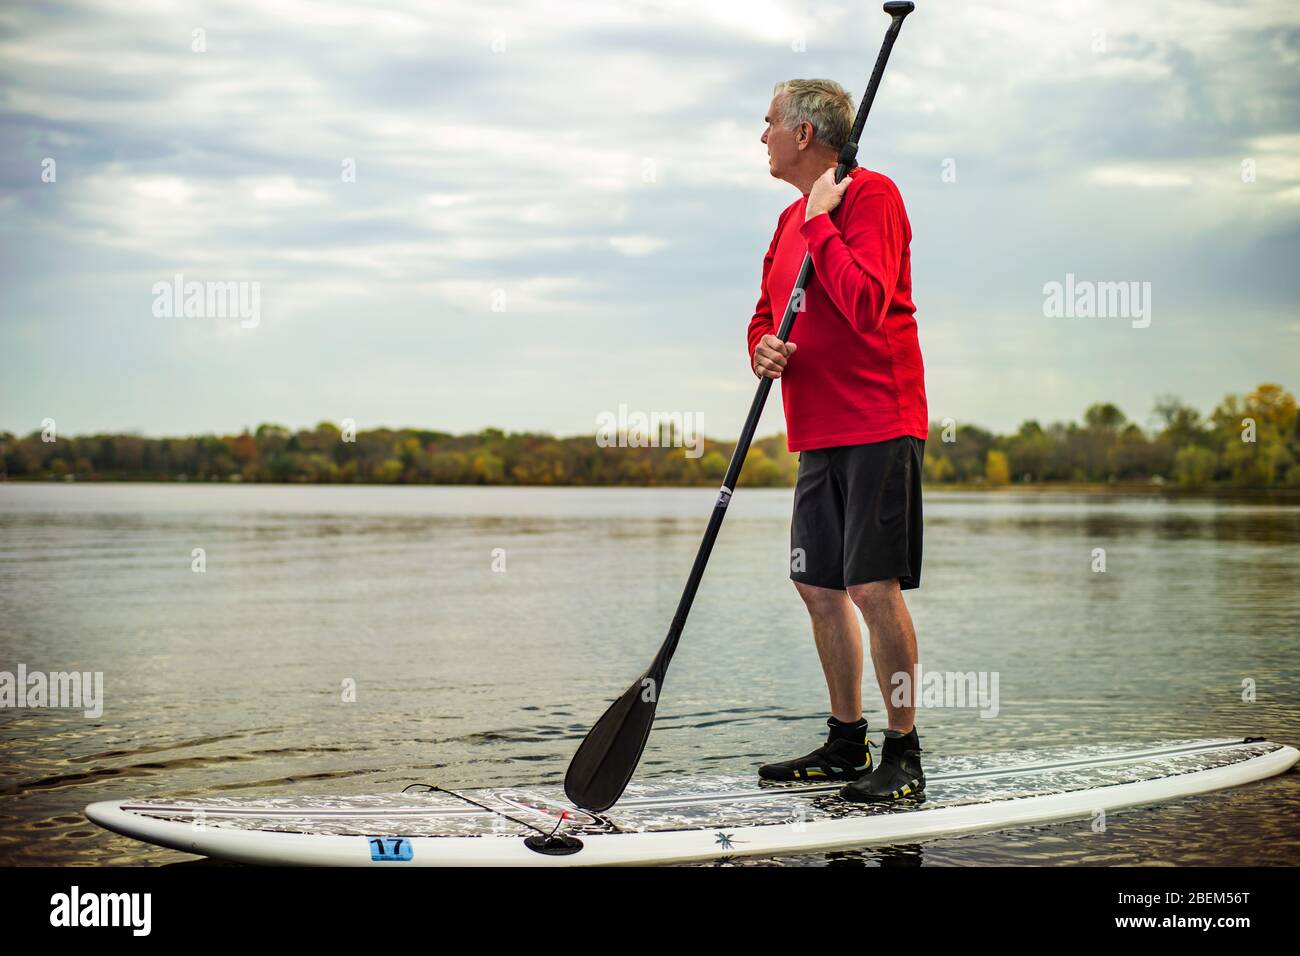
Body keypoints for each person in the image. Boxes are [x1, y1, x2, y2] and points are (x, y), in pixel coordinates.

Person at [747, 79, 929, 802]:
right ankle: (846, 744)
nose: (760, 137)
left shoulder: (872, 196)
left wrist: (824, 222)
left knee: (869, 586)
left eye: (767, 124)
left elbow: (865, 304)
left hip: (879, 418)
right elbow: (766, 314)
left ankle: (904, 755)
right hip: (816, 427)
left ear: (802, 134)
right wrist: (761, 348)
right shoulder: (787, 221)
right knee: (816, 585)